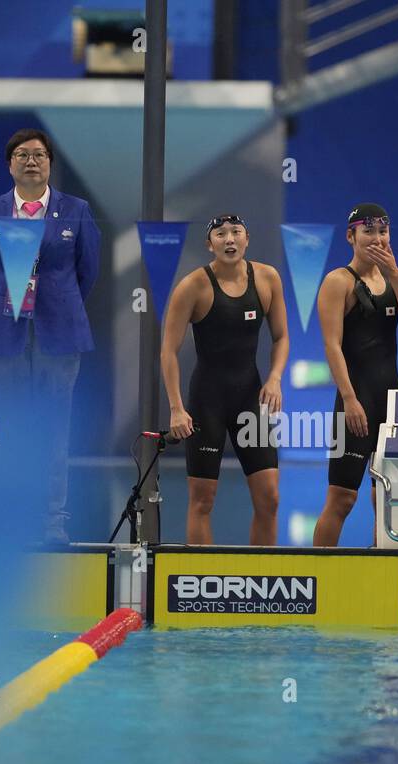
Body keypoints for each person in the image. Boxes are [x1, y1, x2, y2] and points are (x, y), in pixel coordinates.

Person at [0, 127, 101, 545]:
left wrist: (57, 302)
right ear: (9, 164)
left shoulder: (76, 210)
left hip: (58, 335)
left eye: (39, 154)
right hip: (5, 334)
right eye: (22, 154)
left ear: (50, 163)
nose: (31, 160)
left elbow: (88, 271)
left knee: (53, 429)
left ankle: (51, 522)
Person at [162, 214, 289, 544]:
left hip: (251, 399)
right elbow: (168, 351)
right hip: (208, 402)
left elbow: (281, 337)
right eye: (220, 234)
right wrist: (176, 408)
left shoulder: (267, 278)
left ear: (247, 239)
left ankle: (261, 580)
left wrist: (274, 379)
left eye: (236, 233)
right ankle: (202, 582)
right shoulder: (193, 286)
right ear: (209, 245)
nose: (229, 239)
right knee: (202, 501)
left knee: (269, 498)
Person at [312, 203, 398, 547]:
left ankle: (381, 570)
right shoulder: (338, 282)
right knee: (342, 498)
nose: (377, 239)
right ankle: (319, 574)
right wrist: (349, 399)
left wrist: (395, 274)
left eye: (383, 232)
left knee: (386, 499)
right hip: (355, 400)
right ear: (351, 236)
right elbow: (332, 346)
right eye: (368, 232)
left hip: (391, 400)